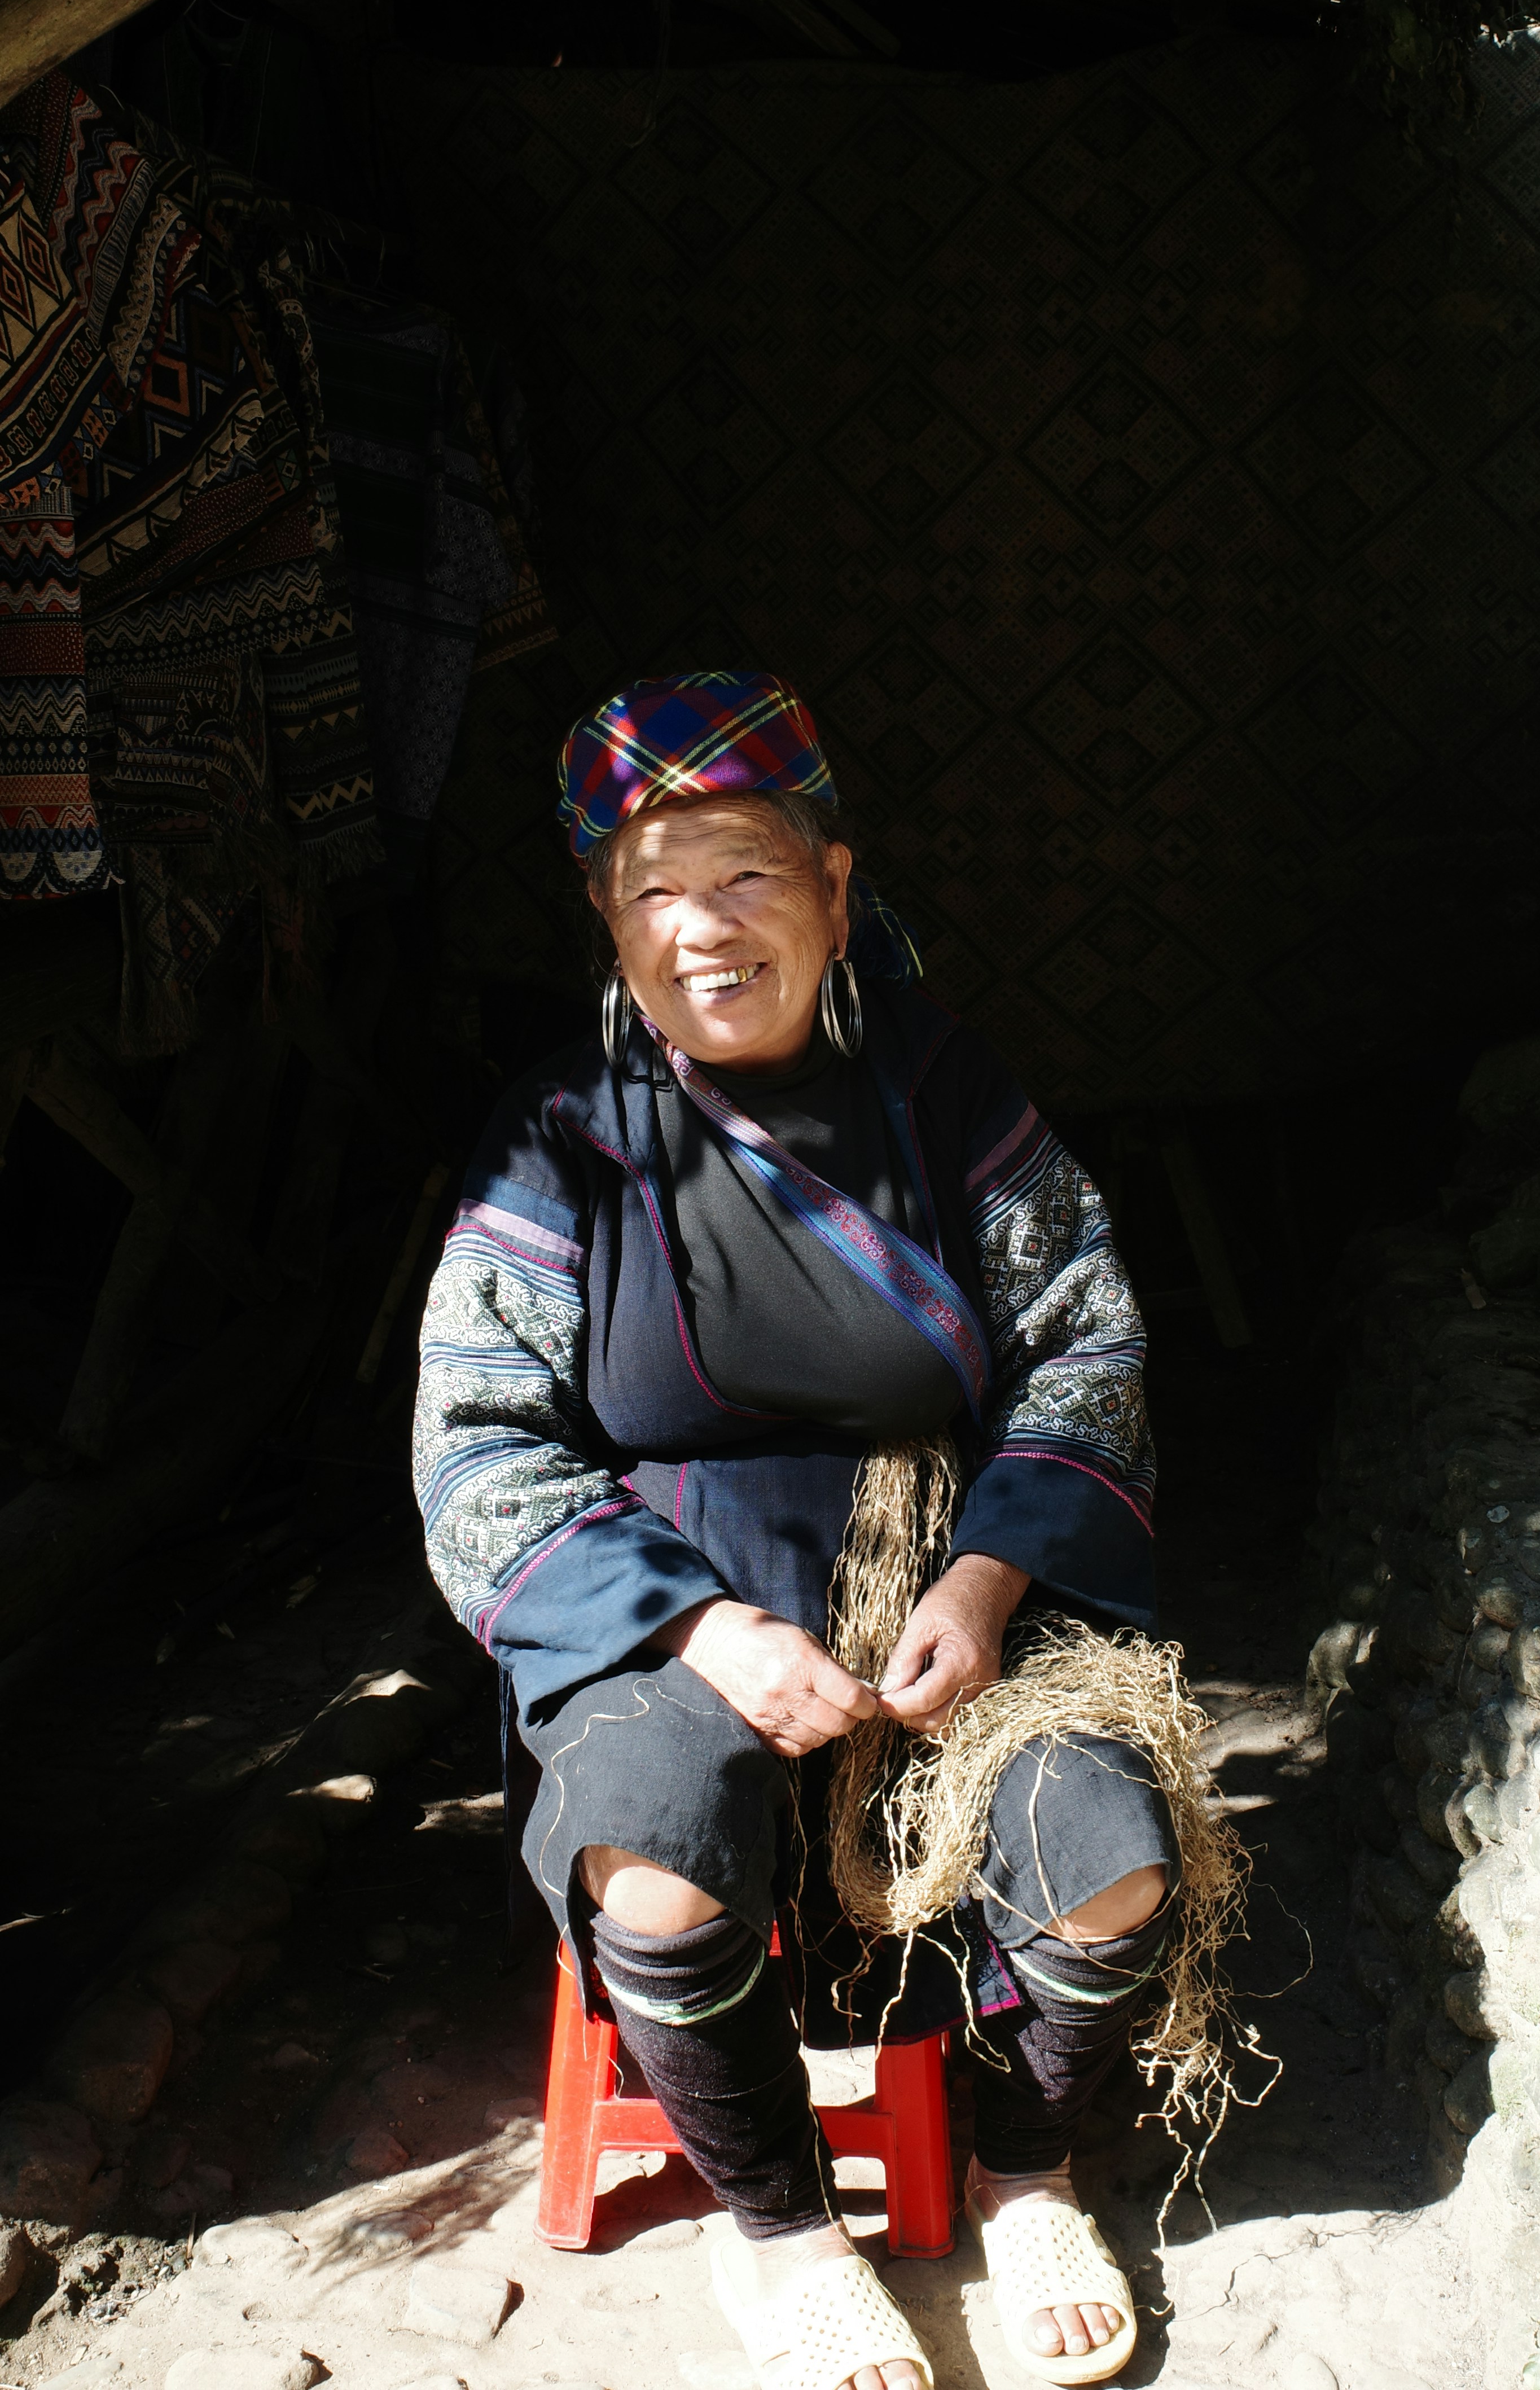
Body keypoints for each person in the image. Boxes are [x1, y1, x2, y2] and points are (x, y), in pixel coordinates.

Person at [414, 670, 1173, 2390]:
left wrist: (987, 1584)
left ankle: (1029, 2173)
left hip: (950, 1567)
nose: (705, 928)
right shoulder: (559, 1138)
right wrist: (707, 1636)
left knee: (1107, 1853)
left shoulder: (949, 1092)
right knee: (662, 1860)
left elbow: (1090, 1337)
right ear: (606, 918)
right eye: (654, 888)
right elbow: (474, 1440)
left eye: (747, 874)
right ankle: (782, 2238)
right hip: (665, 1587)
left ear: (836, 888)